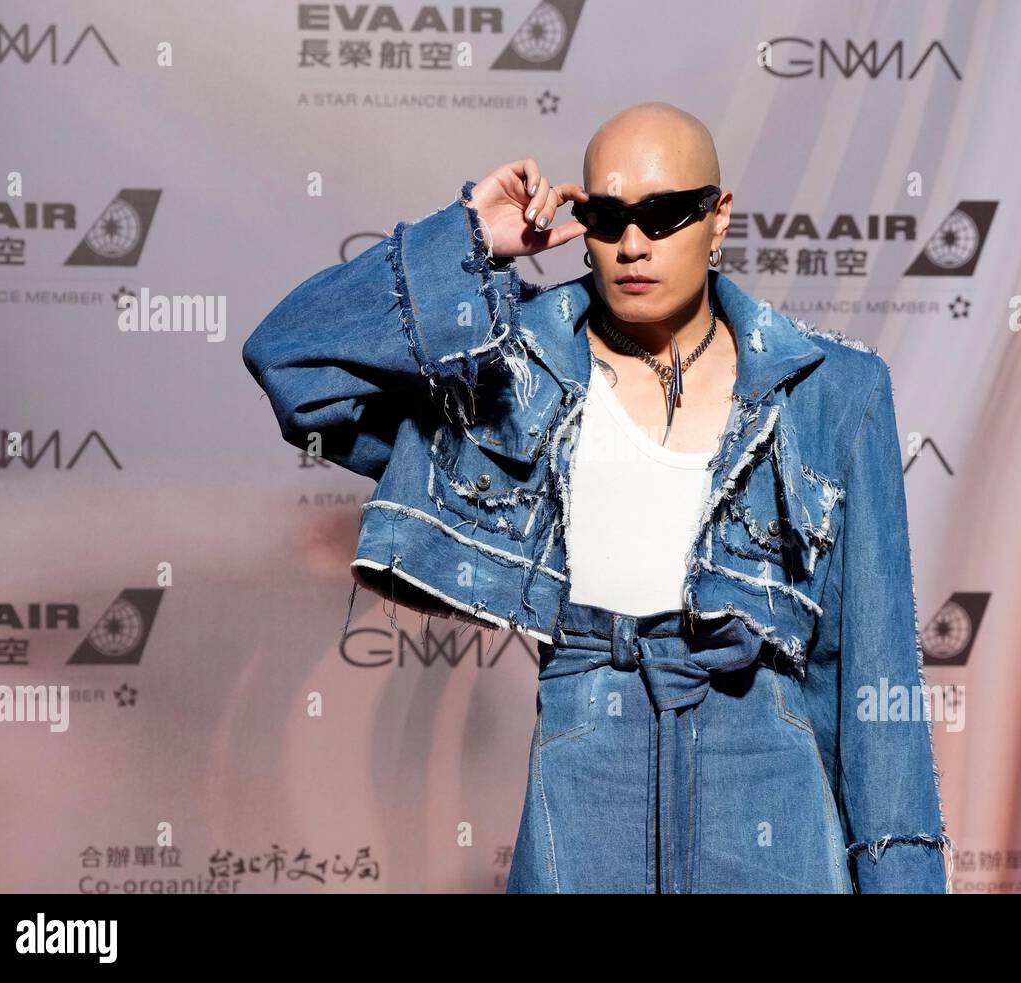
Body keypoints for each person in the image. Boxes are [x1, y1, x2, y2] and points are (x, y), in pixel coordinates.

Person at [242, 101, 953, 893]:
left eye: (663, 214)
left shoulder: (834, 393)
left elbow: (871, 688)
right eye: (608, 217)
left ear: (719, 219)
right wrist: (470, 240)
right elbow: (296, 369)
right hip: (586, 789)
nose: (633, 243)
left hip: (770, 805)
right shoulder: (514, 379)